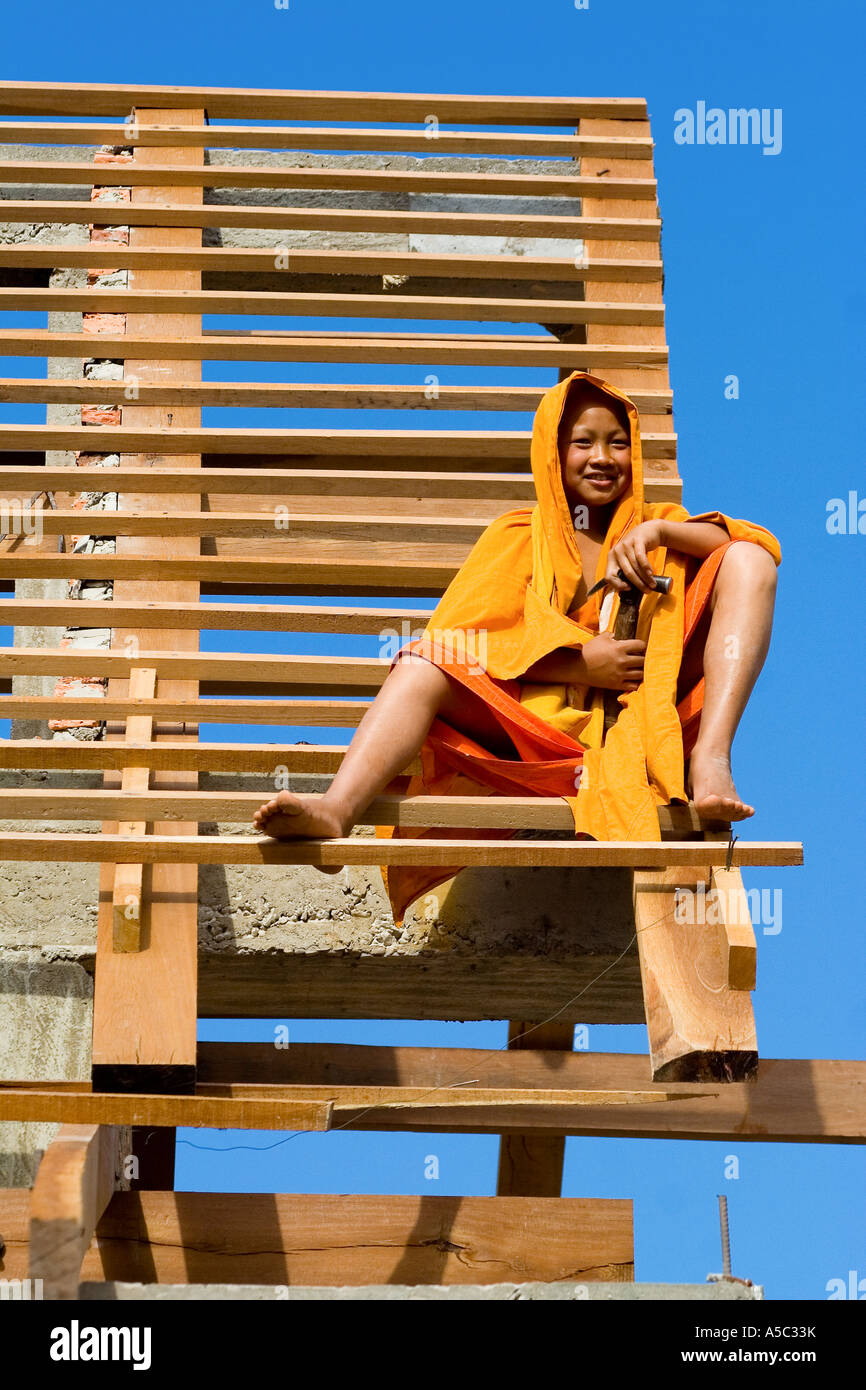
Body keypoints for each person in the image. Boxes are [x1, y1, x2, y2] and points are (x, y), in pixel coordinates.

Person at [253, 370, 780, 927]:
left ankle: (711, 760)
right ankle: (337, 810)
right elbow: (466, 638)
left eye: (618, 443)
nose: (603, 458)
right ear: (553, 454)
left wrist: (658, 535)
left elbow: (755, 546)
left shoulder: (662, 526)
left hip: (642, 724)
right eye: (583, 442)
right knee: (423, 663)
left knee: (750, 561)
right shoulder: (518, 534)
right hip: (532, 732)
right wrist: (581, 664)